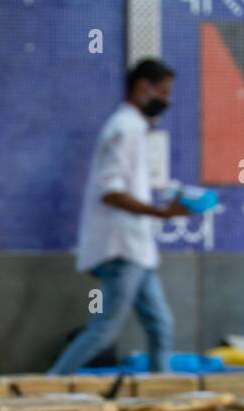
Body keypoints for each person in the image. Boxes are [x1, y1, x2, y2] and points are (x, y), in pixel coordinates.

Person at [49, 59, 192, 376]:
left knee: (161, 325)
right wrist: (159, 212)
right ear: (143, 87)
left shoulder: (135, 129)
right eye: (163, 92)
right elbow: (109, 191)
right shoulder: (123, 129)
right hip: (121, 248)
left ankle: (160, 392)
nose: (167, 101)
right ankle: (45, 388)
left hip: (137, 249)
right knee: (104, 330)